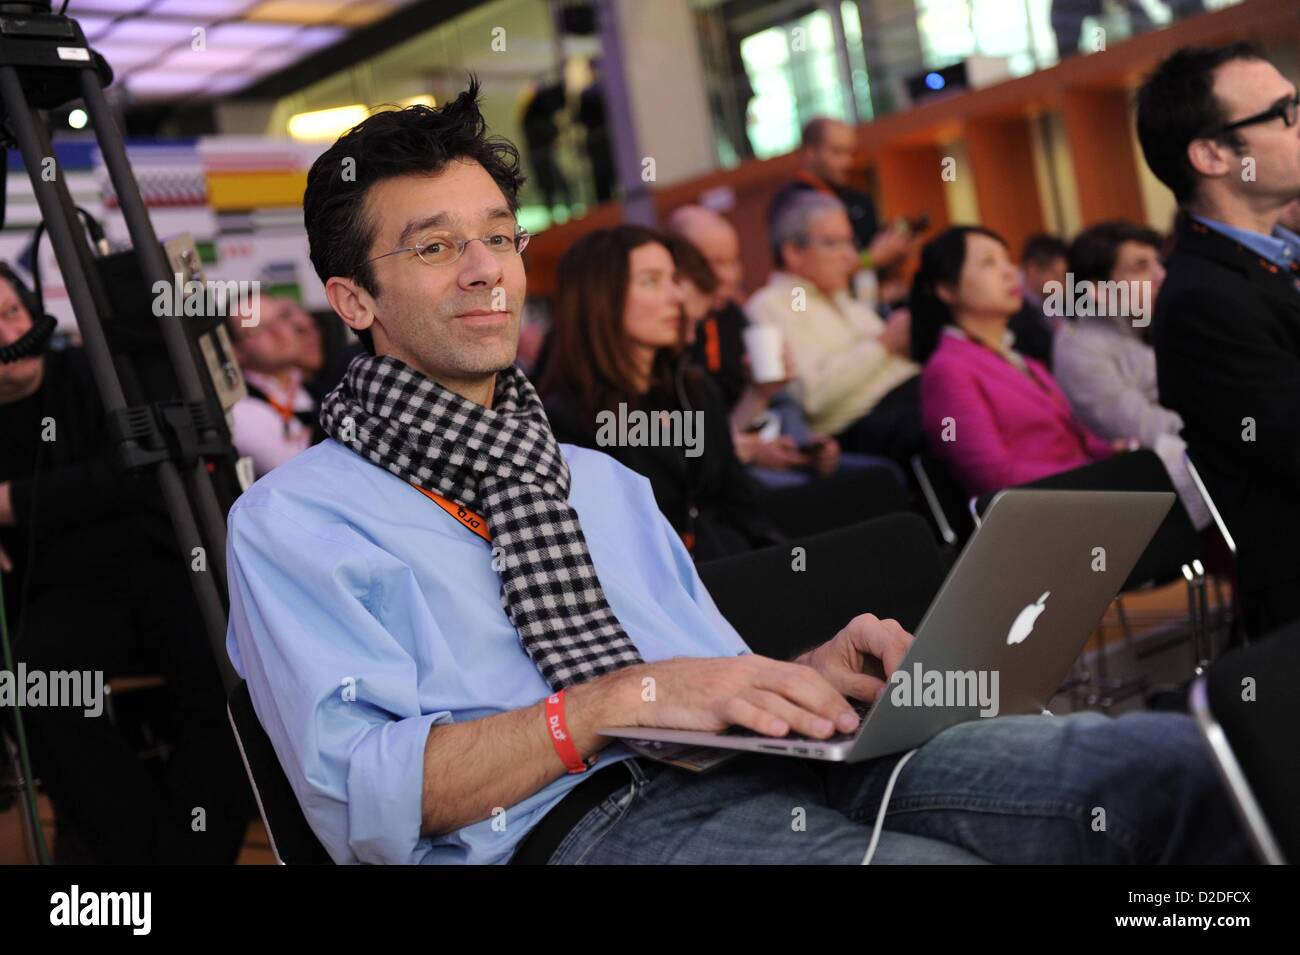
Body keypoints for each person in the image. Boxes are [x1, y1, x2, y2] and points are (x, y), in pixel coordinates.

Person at [224, 82, 1252, 865]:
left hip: (761, 767)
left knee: (1179, 767)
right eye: (437, 246)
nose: (487, 266)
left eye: (498, 235)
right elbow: (359, 800)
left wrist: (809, 674)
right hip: (573, 826)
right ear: (353, 300)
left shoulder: (594, 478)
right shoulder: (295, 521)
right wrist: (600, 705)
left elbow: (698, 679)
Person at [0, 263, 250, 863]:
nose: (6, 332)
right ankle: (135, 858)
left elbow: (136, 474)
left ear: (34, 314)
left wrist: (14, 503)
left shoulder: (97, 375)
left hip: (163, 571)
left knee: (229, 675)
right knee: (37, 688)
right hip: (64, 595)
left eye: (10, 314)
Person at [1136, 43, 1300, 638]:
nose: (1298, 123)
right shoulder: (1205, 300)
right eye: (1284, 112)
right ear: (1211, 154)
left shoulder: (1277, 259)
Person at [537, 225, 783, 562]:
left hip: (731, 568)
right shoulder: (565, 422)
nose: (677, 297)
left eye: (672, 279)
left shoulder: (693, 391)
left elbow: (740, 504)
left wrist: (779, 569)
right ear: (600, 297)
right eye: (651, 281)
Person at [912, 227, 1120, 498]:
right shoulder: (948, 370)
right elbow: (992, 476)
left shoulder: (1024, 361)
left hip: (1078, 493)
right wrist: (1092, 473)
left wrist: (1115, 453)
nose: (1010, 271)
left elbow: (1079, 440)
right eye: (989, 262)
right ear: (947, 290)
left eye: (1007, 260)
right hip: (1038, 512)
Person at [1051, 221, 1209, 528]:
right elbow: (1142, 429)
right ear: (1097, 291)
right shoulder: (1080, 350)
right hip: (1149, 498)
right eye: (1140, 267)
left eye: (1158, 264)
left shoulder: (1141, 329)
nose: (1161, 276)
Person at [747, 191, 922, 462]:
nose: (851, 256)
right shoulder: (771, 304)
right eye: (834, 244)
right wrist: (885, 344)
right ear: (793, 252)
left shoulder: (842, 296)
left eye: (850, 243)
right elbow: (814, 399)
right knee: (956, 413)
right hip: (859, 428)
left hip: (909, 397)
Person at [767, 117, 914, 273]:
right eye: (837, 152)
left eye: (851, 153)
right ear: (810, 152)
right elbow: (805, 270)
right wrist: (871, 258)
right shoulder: (790, 203)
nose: (847, 162)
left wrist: (895, 246)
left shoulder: (860, 200)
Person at [227, 294, 320, 477]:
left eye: (280, 318)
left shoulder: (315, 387)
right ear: (237, 352)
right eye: (257, 329)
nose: (279, 332)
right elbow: (293, 471)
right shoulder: (239, 410)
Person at [1010, 233, 1069, 369]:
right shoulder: (1012, 312)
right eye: (1058, 275)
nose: (1065, 284)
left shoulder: (1059, 301)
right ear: (1033, 270)